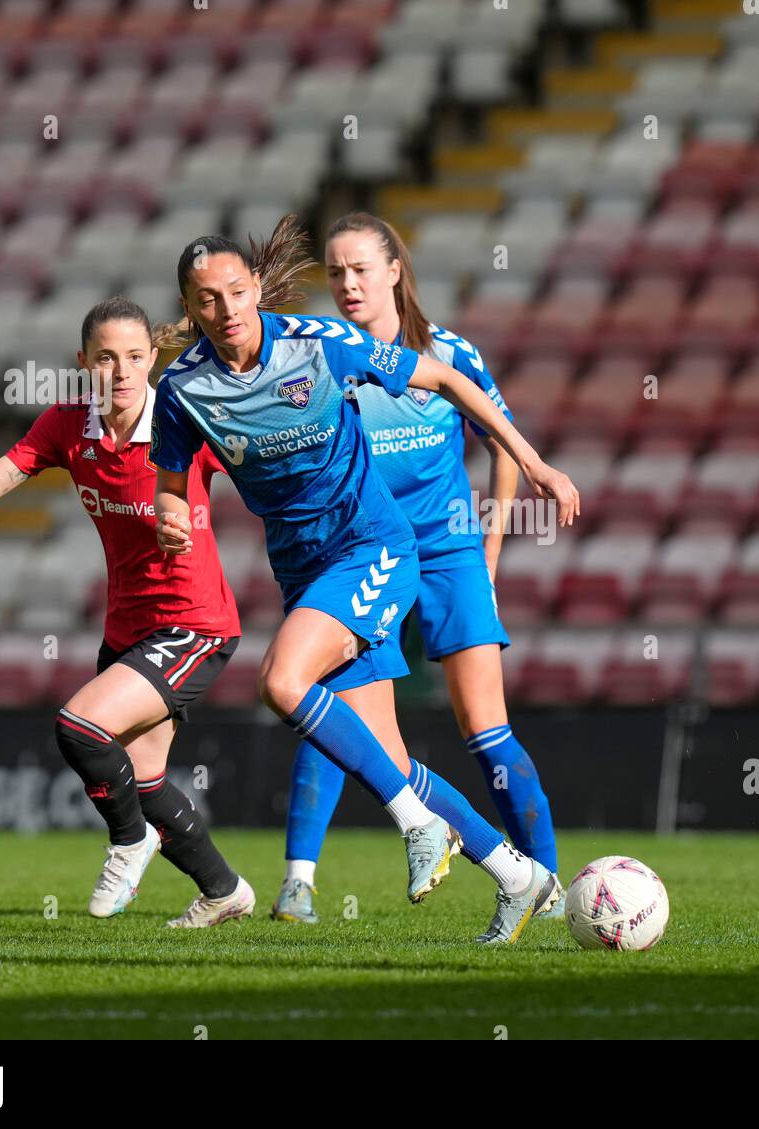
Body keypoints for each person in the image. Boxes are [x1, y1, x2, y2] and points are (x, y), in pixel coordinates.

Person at [150, 219, 580, 943]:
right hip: (305, 566)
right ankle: (518, 875)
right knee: (386, 756)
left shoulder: (319, 344)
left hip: (377, 547)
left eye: (234, 292)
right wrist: (170, 517)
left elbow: (446, 378)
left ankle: (415, 833)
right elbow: (171, 481)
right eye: (207, 299)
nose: (225, 310)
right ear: (191, 307)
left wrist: (534, 467)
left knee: (285, 681)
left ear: (254, 288)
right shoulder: (185, 388)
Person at [0, 298, 253, 927]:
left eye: (136, 356)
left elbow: (270, 471)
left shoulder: (185, 419)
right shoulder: (66, 425)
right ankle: (225, 891)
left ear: (153, 359)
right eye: (107, 357)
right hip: (130, 630)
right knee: (150, 779)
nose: (124, 370)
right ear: (84, 363)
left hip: (195, 623)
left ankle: (129, 841)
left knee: (81, 727)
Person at [271, 211, 560, 927]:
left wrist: (489, 550)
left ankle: (543, 884)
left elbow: (500, 439)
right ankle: (298, 882)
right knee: (336, 709)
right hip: (367, 553)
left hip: (449, 553)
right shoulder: (327, 363)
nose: (346, 284)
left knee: (487, 730)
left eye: (360, 269)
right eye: (335, 272)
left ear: (395, 270)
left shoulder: (452, 353)